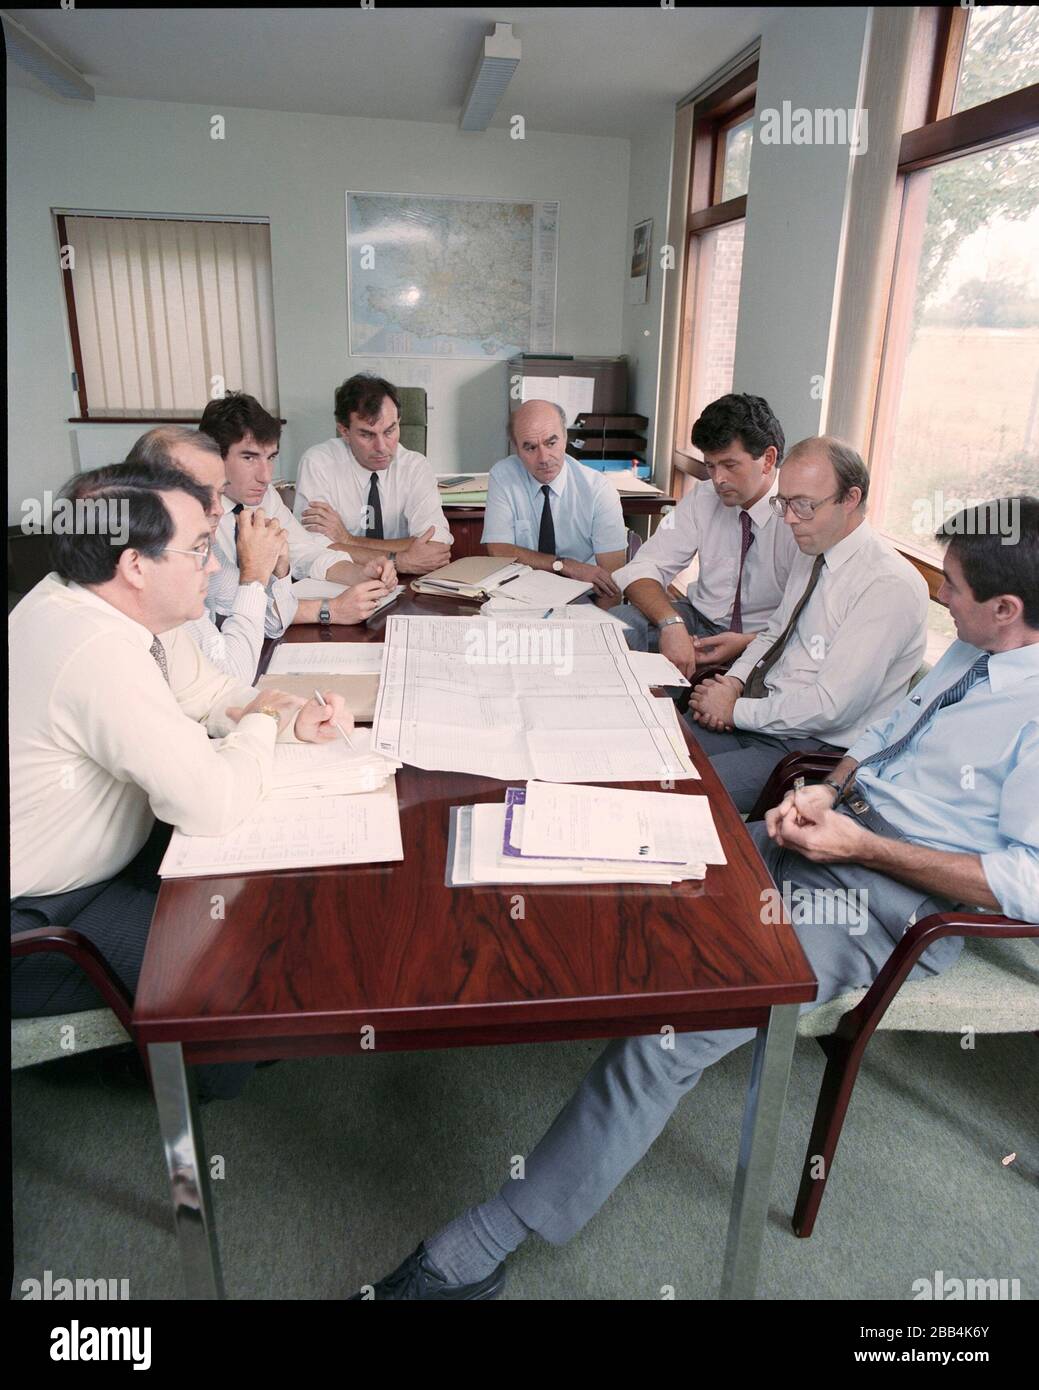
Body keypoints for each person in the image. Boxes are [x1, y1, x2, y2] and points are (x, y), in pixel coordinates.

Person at [354, 496, 1039, 1298]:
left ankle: (485, 1245)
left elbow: (1025, 882)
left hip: (882, 899)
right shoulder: (973, 648)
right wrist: (826, 791)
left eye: (951, 587)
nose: (940, 596)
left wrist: (863, 844)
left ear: (1006, 608)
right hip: (821, 831)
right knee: (628, 860)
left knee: (668, 1036)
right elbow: (881, 739)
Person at [10, 462, 353, 1099]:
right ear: (136, 564)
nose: (217, 565)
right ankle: (165, 1069)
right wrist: (259, 726)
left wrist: (285, 717)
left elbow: (210, 691)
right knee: (228, 977)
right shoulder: (95, 648)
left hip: (102, 864)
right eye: (199, 549)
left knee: (261, 898)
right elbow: (213, 802)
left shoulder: (93, 601)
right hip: (37, 921)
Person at [686, 436, 929, 813]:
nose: (789, 519)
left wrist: (733, 710)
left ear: (850, 498)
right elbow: (774, 633)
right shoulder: (815, 549)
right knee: (650, 749)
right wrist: (732, 684)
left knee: (678, 794)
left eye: (803, 505)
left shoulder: (887, 585)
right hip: (762, 715)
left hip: (808, 746)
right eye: (783, 503)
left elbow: (832, 707)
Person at [611, 393, 800, 675]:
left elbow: (809, 622)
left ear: (768, 459)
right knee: (618, 624)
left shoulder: (798, 514)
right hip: (699, 620)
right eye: (711, 465)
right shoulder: (704, 497)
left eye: (729, 465)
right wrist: (671, 623)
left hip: (766, 639)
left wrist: (749, 642)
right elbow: (643, 567)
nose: (718, 478)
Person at [199, 392, 397, 630]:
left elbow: (305, 551)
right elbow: (231, 603)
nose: (266, 476)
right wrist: (330, 610)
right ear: (213, 457)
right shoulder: (195, 512)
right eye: (249, 458)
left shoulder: (264, 495)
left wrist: (360, 575)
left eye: (271, 457)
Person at [125, 425, 285, 683]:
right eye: (199, 494)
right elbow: (233, 676)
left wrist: (279, 570)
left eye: (220, 493)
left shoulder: (202, 545)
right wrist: (254, 576)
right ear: (154, 496)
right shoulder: (162, 565)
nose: (218, 509)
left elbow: (272, 623)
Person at [295, 374, 452, 576]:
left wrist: (348, 540)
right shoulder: (318, 464)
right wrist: (399, 560)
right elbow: (312, 550)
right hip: (339, 581)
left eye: (389, 431)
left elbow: (434, 547)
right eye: (367, 434)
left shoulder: (415, 466)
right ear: (344, 431)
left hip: (404, 584)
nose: (381, 447)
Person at [481, 399, 628, 599]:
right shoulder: (503, 475)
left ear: (566, 437)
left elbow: (612, 585)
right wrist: (564, 565)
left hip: (585, 599)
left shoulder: (599, 490)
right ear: (516, 448)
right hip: (520, 597)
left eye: (551, 443)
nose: (544, 458)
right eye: (530, 448)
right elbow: (498, 549)